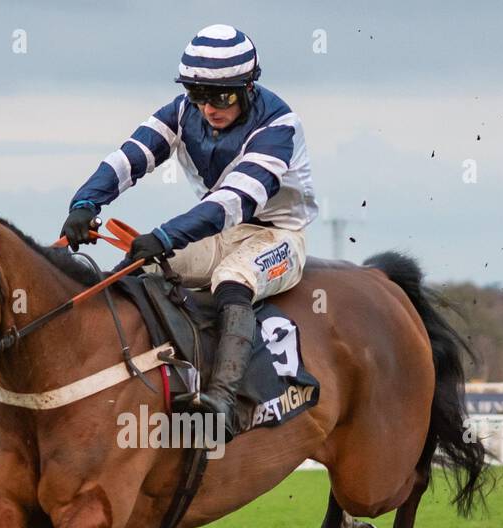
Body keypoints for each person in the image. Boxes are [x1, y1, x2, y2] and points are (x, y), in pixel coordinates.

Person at [60, 23, 318, 424]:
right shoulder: (182, 112)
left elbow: (233, 202)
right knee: (136, 267)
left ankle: (223, 399)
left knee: (232, 279)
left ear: (249, 87)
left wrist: (165, 236)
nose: (208, 108)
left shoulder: (279, 126)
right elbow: (128, 158)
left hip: (276, 235)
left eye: (222, 95)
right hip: (219, 234)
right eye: (197, 94)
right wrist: (85, 202)